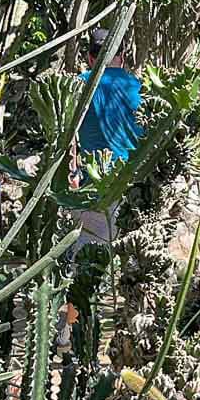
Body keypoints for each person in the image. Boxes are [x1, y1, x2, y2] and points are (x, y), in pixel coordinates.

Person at [71, 27, 144, 246]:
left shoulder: (78, 86)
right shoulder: (140, 87)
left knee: (88, 262)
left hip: (93, 187)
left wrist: (71, 174)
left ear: (90, 58)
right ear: (122, 57)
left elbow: (67, 137)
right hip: (134, 187)